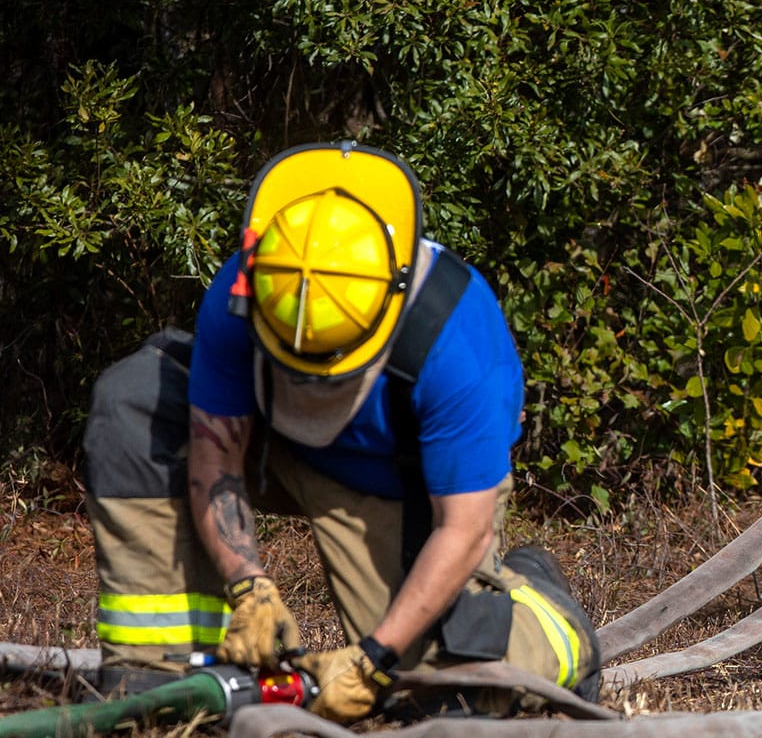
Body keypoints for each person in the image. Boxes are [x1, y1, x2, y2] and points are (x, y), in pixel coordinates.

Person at [84, 141, 600, 720]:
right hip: (273, 443)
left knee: (429, 686)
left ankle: (553, 622)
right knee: (136, 399)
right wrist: (248, 587)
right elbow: (215, 455)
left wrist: (374, 660)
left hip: (395, 480)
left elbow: (464, 529)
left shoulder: (456, 339)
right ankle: (161, 675)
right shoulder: (254, 288)